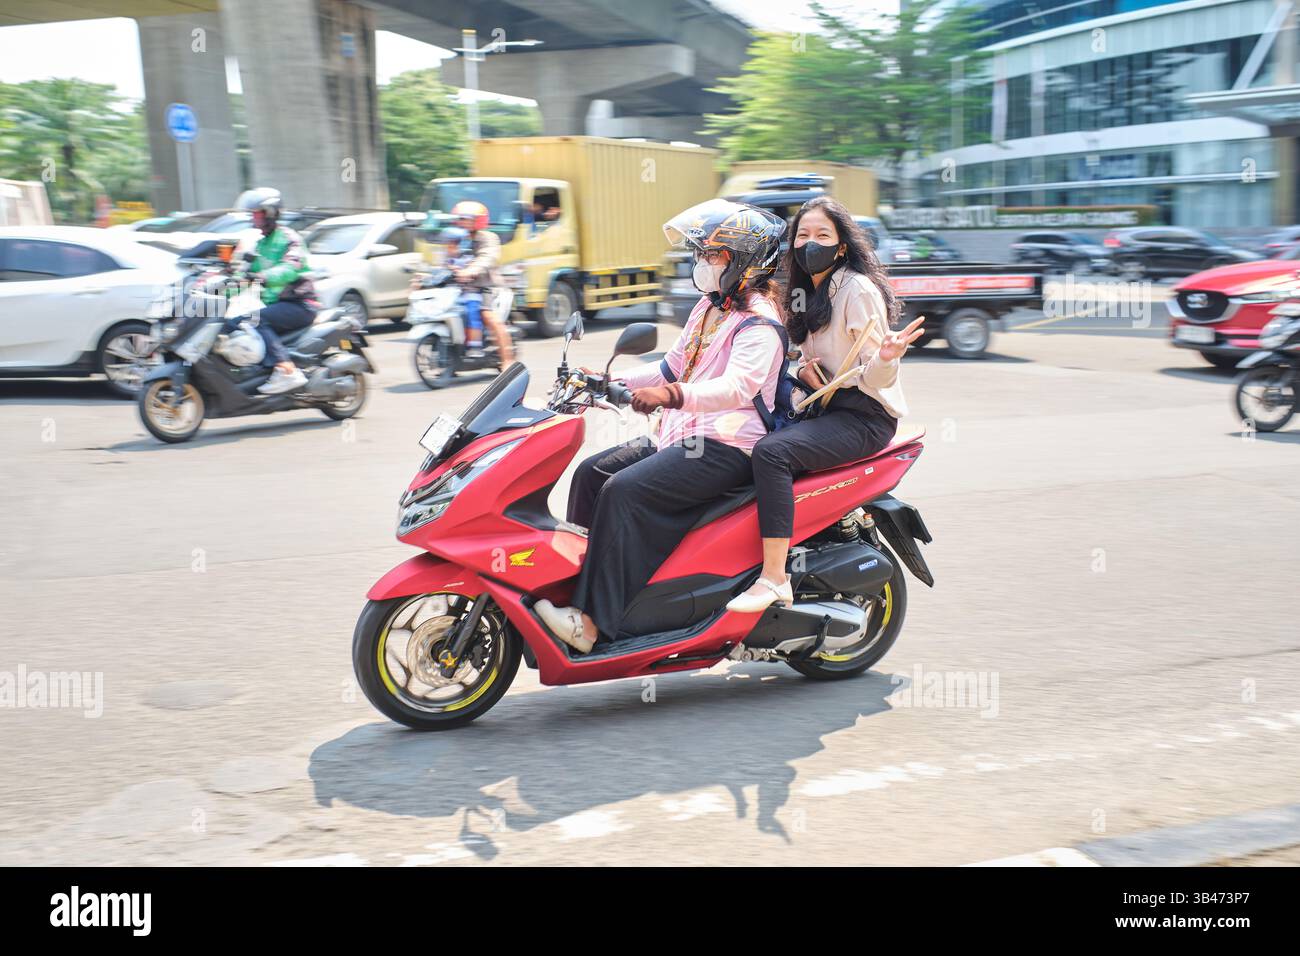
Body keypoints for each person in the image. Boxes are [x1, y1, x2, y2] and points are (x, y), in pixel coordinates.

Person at [534, 199, 788, 653]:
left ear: (745, 262)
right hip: (681, 437)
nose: (702, 264)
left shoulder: (759, 325)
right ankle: (574, 592)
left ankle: (592, 623)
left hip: (728, 448)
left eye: (713, 256)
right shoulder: (709, 310)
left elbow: (735, 388)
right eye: (701, 255)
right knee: (592, 475)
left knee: (624, 491)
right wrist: (604, 382)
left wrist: (669, 397)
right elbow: (671, 369)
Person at [726, 196, 925, 613]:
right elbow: (803, 357)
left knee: (772, 453)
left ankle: (775, 577)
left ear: (840, 246)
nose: (810, 243)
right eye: (802, 235)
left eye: (822, 235)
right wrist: (804, 372)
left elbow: (872, 374)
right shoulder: (804, 290)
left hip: (864, 416)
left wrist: (887, 358)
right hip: (826, 407)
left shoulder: (856, 288)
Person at [232, 188, 313, 394]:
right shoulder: (261, 244)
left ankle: (286, 370)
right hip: (274, 305)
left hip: (299, 304)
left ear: (271, 213)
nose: (254, 218)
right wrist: (215, 293)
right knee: (229, 324)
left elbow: (290, 268)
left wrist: (263, 277)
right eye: (252, 214)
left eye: (258, 213)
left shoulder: (288, 238)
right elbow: (245, 276)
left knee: (256, 319)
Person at [448, 200, 514, 364]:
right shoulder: (455, 237)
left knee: (488, 317)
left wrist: (471, 270)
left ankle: (508, 361)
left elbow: (487, 257)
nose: (461, 222)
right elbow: (446, 258)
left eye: (465, 219)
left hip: (485, 287)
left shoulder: (488, 238)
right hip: (459, 288)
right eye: (460, 218)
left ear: (477, 220)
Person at [438, 226, 487, 356]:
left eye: (453, 242)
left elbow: (473, 271)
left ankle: (475, 345)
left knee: (471, 312)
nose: (449, 246)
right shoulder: (445, 258)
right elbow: (437, 271)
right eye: (448, 243)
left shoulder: (468, 258)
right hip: (451, 294)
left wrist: (462, 272)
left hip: (469, 293)